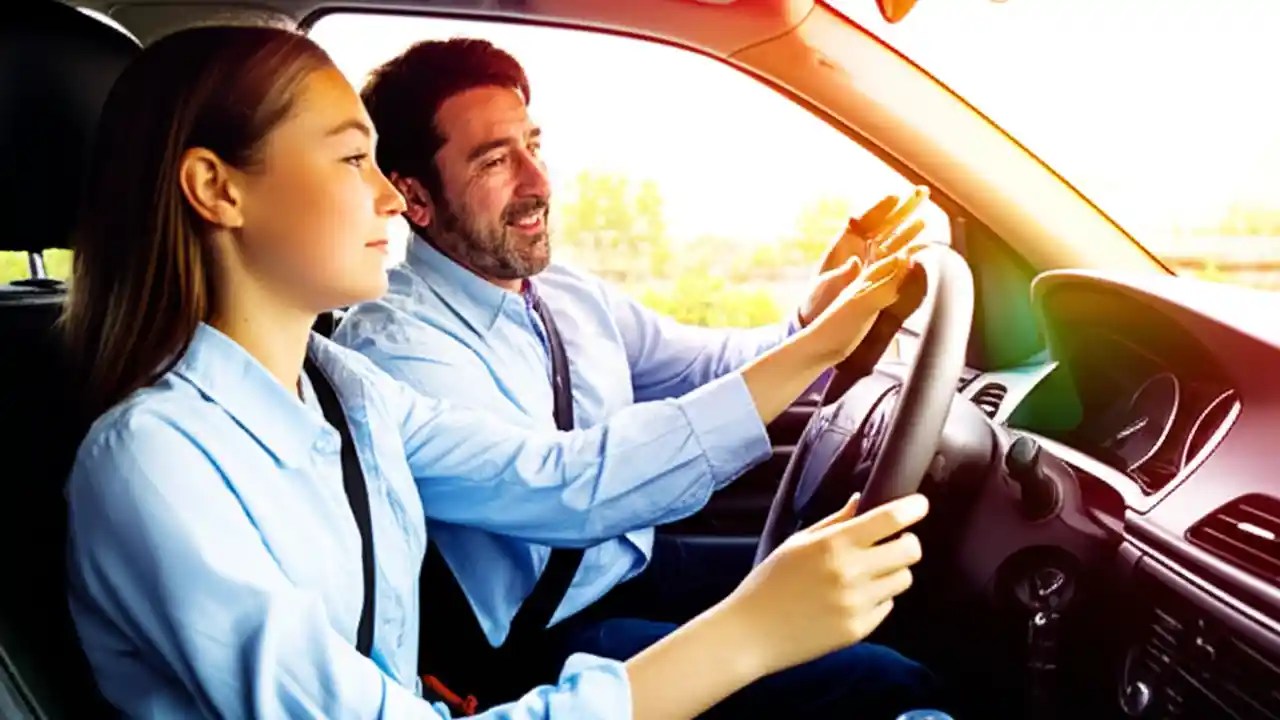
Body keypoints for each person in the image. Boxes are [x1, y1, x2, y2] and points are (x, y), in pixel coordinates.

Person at [61, 24, 931, 719]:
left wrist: (814, 331)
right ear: (218, 189)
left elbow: (558, 475)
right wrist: (747, 635)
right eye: (350, 159)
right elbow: (574, 495)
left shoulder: (345, 391)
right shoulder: (154, 464)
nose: (391, 200)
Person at [334, 38, 934, 716]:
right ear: (414, 196)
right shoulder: (394, 348)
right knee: (881, 679)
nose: (537, 182)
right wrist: (817, 350)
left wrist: (807, 319)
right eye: (496, 161)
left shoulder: (559, 291)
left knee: (904, 584)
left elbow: (705, 367)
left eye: (534, 145)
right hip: (544, 640)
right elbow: (568, 488)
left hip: (636, 566)